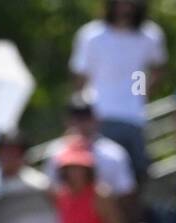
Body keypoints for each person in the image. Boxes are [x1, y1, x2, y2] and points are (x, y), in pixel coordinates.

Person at [70, 0, 168, 184]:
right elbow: (80, 78)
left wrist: (141, 93)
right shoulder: (91, 35)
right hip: (99, 118)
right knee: (101, 179)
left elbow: (158, 68)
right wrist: (78, 117)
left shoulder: (149, 34)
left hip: (134, 118)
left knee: (137, 177)